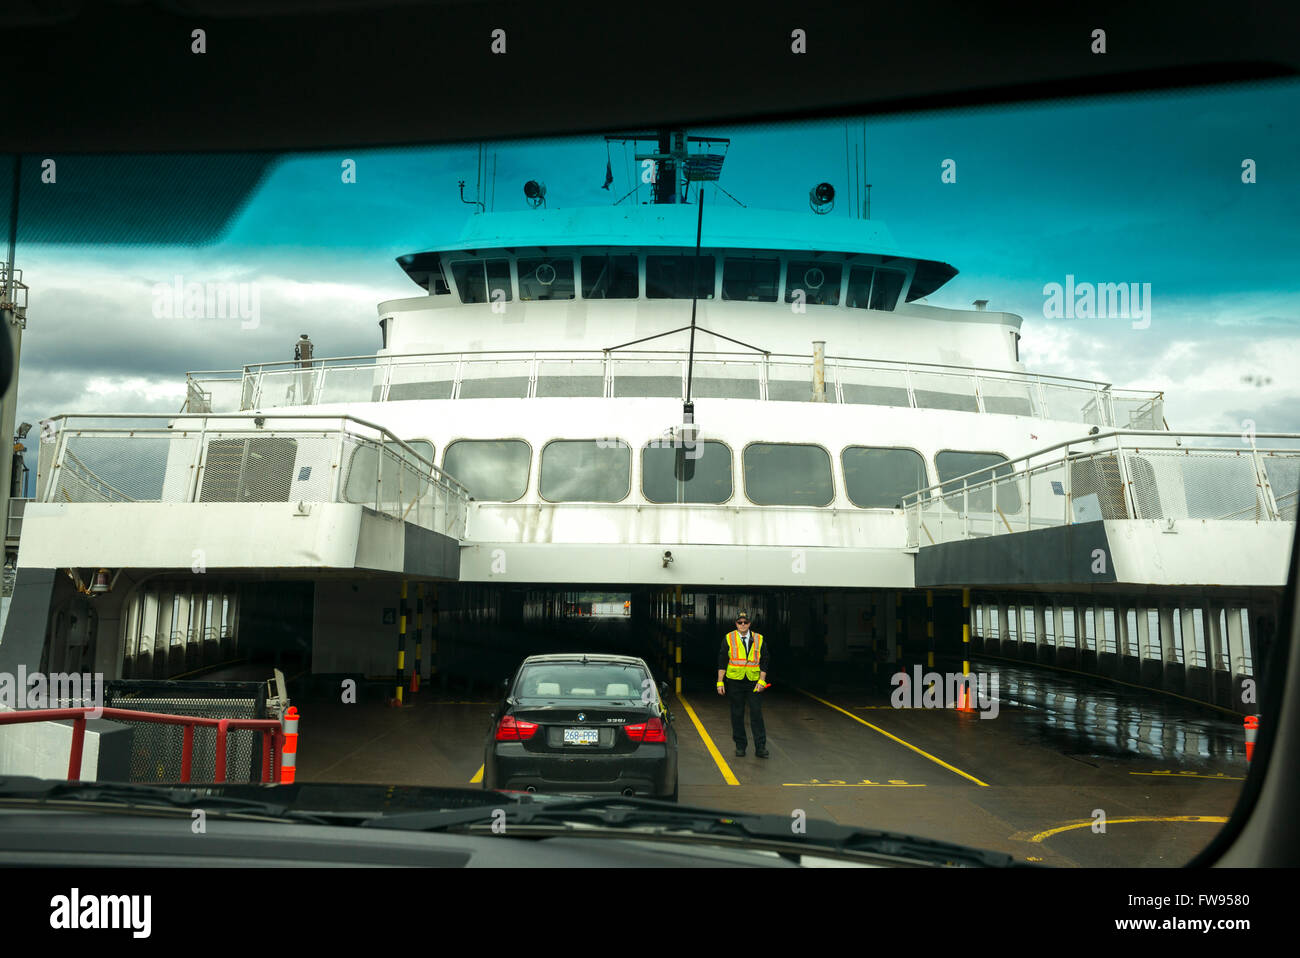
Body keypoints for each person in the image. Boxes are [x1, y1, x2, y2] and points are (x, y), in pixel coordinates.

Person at [717, 611, 770, 758]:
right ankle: (740, 746)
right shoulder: (729, 638)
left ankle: (760, 747)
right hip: (735, 681)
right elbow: (722, 660)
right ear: (736, 623)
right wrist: (720, 681)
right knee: (737, 714)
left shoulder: (759, 639)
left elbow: (765, 660)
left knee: (756, 714)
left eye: (745, 622)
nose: (742, 625)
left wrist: (762, 680)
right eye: (740, 622)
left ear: (749, 624)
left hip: (754, 681)